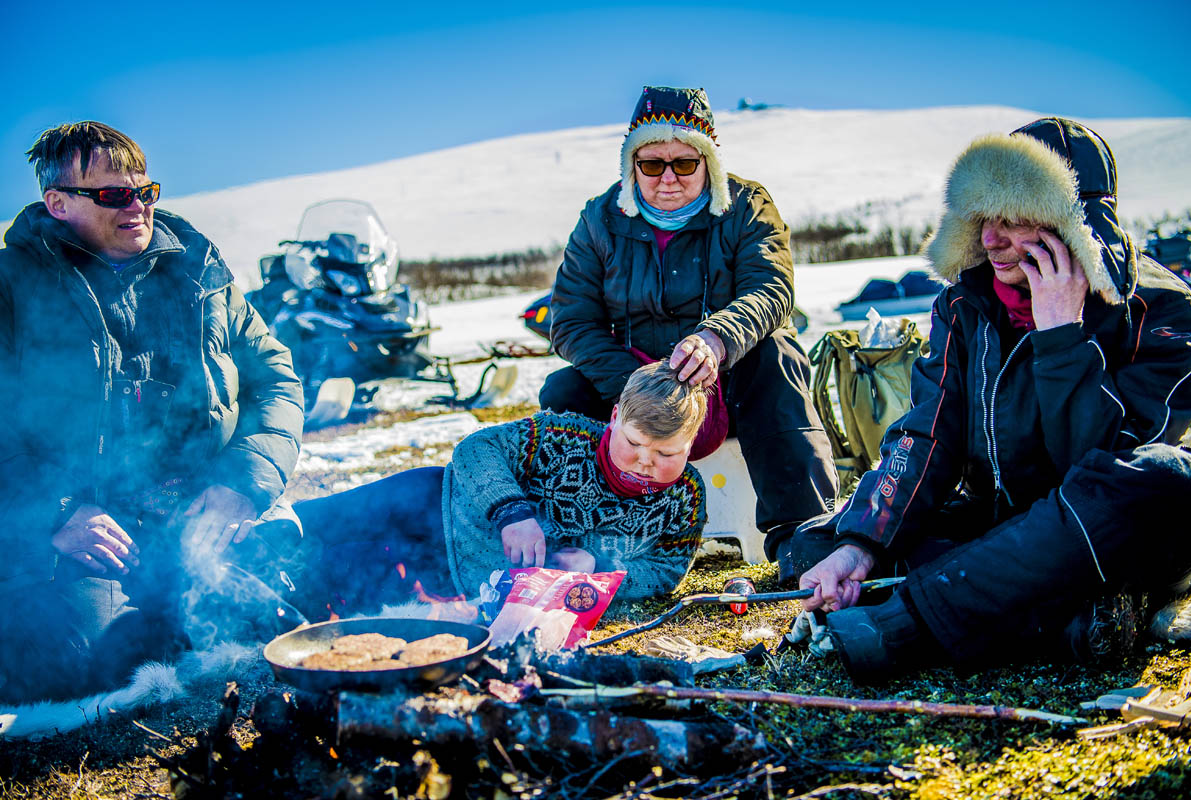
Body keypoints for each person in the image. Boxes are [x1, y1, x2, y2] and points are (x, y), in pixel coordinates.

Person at [790, 118, 1191, 682]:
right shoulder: (966, 305)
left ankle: (912, 621)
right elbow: (927, 433)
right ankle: (1069, 624)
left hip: (1119, 541)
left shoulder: (1166, 312)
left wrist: (1061, 337)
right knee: (814, 545)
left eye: (1012, 218)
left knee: (1169, 480)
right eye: (984, 218)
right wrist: (863, 543)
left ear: (1071, 225)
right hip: (1008, 525)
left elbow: (1103, 473)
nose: (989, 239)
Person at [0, 122, 304, 703]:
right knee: (70, 661)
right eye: (113, 194)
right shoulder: (10, 286)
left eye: (145, 191)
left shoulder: (198, 272)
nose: (137, 207)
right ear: (57, 203)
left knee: (286, 610)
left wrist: (242, 481)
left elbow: (275, 380)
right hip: (89, 529)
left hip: (197, 510)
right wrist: (57, 511)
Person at [539, 86, 838, 565]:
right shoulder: (598, 220)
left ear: (708, 163)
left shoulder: (745, 207)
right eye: (652, 164)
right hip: (631, 382)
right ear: (631, 166)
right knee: (563, 391)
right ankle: (584, 538)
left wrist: (716, 339)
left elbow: (772, 290)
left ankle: (802, 536)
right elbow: (571, 319)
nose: (668, 178)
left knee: (777, 357)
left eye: (684, 163)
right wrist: (633, 384)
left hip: (729, 379)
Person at [250, 360, 708, 618]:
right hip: (432, 502)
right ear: (614, 420)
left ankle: (239, 598)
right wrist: (513, 512)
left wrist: (600, 565)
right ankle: (237, 540)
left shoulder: (685, 496)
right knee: (303, 527)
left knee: (321, 581)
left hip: (450, 575)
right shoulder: (566, 437)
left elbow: (666, 570)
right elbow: (476, 449)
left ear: (691, 444)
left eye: (667, 454)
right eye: (633, 443)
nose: (646, 461)